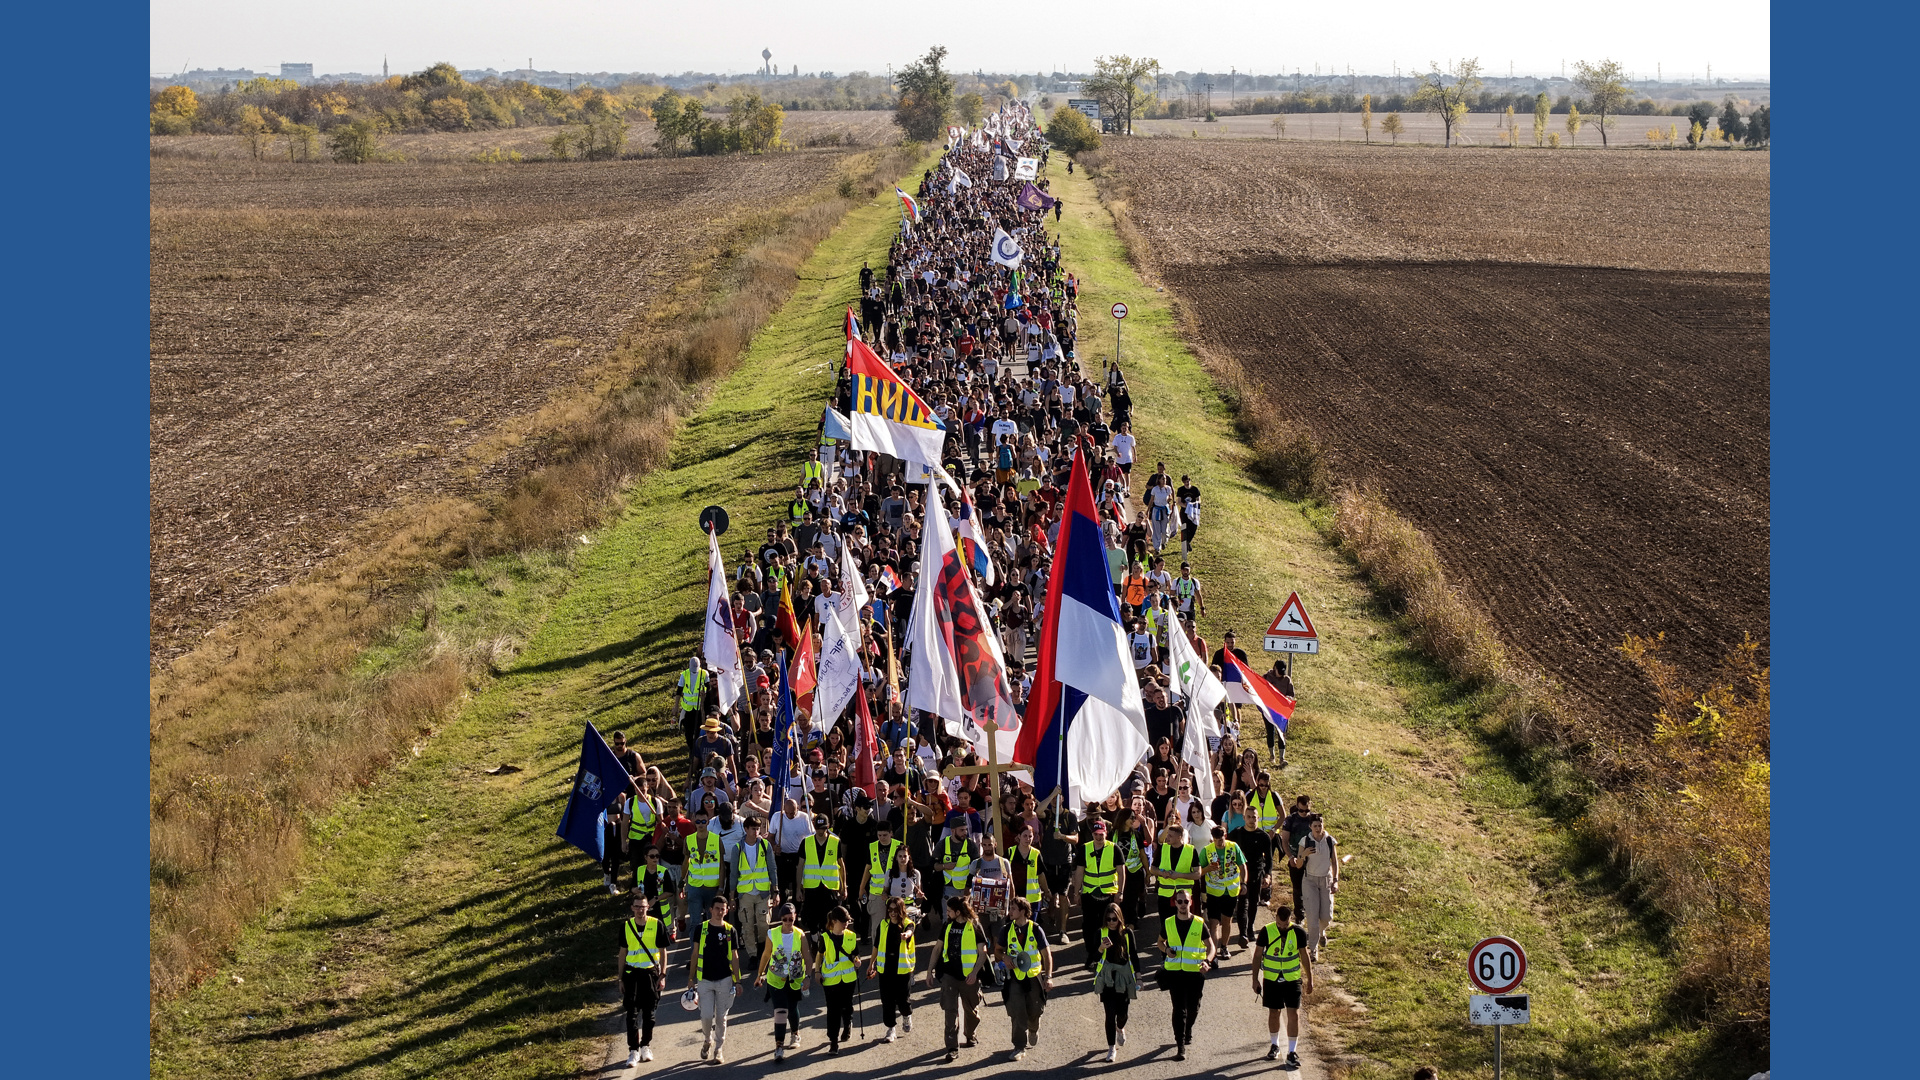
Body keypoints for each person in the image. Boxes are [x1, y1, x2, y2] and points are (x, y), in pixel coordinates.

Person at [1251, 898, 1313, 1069]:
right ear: (1276, 918)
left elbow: (1304, 956)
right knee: (1274, 1012)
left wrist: (1310, 979)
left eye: (1285, 925)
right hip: (1271, 979)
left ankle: (1292, 1051)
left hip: (1292, 979)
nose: (1282, 927)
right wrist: (1254, 979)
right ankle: (1274, 1045)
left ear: (1289, 920)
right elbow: (1257, 956)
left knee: (1294, 1014)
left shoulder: (1298, 932)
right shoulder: (1267, 931)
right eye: (1279, 923)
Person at [1156, 889, 1215, 1060]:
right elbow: (1160, 942)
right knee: (1178, 1009)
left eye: (1185, 901)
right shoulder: (1168, 923)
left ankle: (1188, 1029)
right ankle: (1180, 1045)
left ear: (1191, 903)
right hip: (1175, 973)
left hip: (1195, 973)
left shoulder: (1199, 923)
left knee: (1193, 1008)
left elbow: (1211, 947)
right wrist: (1166, 949)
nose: (1182, 905)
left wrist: (1207, 961)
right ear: (1175, 903)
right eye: (1179, 901)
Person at [927, 894, 986, 1063]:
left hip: (969, 977)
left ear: (958, 912)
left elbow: (982, 953)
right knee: (950, 1012)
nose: (947, 914)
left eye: (949, 911)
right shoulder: (947, 926)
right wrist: (929, 970)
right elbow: (938, 949)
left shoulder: (974, 926)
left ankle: (970, 1034)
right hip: (949, 976)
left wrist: (974, 973)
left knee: (971, 1011)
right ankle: (952, 1047)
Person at [616, 892, 672, 1067]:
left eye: (643, 906)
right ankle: (633, 1050)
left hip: (650, 974)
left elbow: (663, 951)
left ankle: (645, 1045)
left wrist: (662, 975)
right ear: (632, 908)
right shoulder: (626, 926)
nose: (641, 910)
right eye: (637, 906)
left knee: (650, 1014)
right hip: (632, 974)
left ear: (649, 907)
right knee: (631, 1014)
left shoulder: (657, 925)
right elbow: (622, 953)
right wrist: (620, 979)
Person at [754, 902, 814, 1062]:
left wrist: (808, 976)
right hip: (775, 979)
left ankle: (795, 1033)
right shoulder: (772, 934)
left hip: (794, 979)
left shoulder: (800, 934)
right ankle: (779, 1046)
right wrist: (760, 974)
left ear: (795, 918)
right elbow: (766, 955)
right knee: (780, 1011)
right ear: (781, 919)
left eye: (791, 919)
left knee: (792, 1009)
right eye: (785, 919)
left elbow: (807, 958)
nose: (788, 922)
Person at [995, 896, 1053, 1060]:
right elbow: (997, 951)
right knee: (1017, 1012)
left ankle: (1033, 1027)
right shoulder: (1006, 930)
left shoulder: (1036, 929)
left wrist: (1048, 977)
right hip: (1015, 977)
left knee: (1035, 1010)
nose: (1010, 911)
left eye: (1013, 909)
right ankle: (1019, 1047)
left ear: (1022, 911)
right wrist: (1004, 957)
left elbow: (1046, 955)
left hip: (1034, 977)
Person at [686, 895, 742, 1063]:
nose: (719, 912)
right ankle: (707, 1040)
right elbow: (695, 954)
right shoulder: (701, 929)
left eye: (722, 909)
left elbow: (734, 956)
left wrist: (738, 981)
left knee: (721, 1017)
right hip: (704, 980)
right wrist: (691, 978)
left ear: (726, 911)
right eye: (717, 908)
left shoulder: (730, 930)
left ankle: (718, 1049)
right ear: (710, 910)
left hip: (725, 980)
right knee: (706, 1016)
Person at [1074, 818, 1124, 972]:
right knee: (1089, 928)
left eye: (1101, 834)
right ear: (1092, 834)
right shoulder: (1084, 849)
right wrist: (1076, 892)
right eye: (1096, 834)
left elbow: (1121, 872)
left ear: (1106, 833)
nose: (1098, 837)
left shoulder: (1114, 848)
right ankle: (1092, 955)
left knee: (1109, 926)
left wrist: (1120, 892)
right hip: (1089, 895)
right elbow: (1079, 872)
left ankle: (1111, 956)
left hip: (1108, 895)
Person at [1092, 899, 1138, 1062]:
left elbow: (1134, 956)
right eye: (1108, 919)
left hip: (1124, 978)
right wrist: (1101, 948)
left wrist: (1138, 977)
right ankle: (1111, 1048)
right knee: (1109, 1014)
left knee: (1123, 1013)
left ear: (1120, 918)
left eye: (1114, 919)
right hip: (1107, 979)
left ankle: (1120, 1027)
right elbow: (1091, 959)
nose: (1111, 922)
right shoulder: (1100, 933)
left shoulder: (1127, 934)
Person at [866, 896, 917, 1042]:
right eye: (890, 910)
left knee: (903, 1000)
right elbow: (876, 946)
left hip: (902, 970)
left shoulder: (908, 923)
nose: (893, 913)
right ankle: (890, 1029)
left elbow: (910, 931)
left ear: (901, 910)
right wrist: (871, 964)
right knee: (887, 1000)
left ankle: (906, 1016)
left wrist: (906, 935)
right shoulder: (883, 924)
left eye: (895, 909)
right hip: (885, 969)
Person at [815, 906, 861, 1055]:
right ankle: (833, 1042)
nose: (846, 924)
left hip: (848, 979)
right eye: (843, 921)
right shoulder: (825, 937)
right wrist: (817, 972)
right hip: (830, 981)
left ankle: (847, 1024)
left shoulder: (851, 936)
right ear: (834, 921)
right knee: (833, 1010)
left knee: (846, 1006)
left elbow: (855, 954)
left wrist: (856, 960)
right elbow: (820, 955)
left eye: (847, 920)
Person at [1292, 814, 1339, 959]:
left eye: (1320, 825)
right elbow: (1298, 865)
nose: (1318, 829)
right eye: (1315, 826)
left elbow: (1335, 862)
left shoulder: (1329, 840)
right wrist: (1303, 854)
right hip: (1310, 881)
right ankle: (1313, 949)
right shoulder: (1305, 841)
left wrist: (1335, 880)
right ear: (1310, 827)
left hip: (1326, 879)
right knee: (1312, 918)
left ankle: (1321, 932)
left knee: (1326, 916)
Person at [731, 816, 775, 970]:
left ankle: (763, 949)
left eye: (758, 828)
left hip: (763, 892)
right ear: (746, 829)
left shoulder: (765, 845)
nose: (756, 831)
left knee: (763, 924)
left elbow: (772, 868)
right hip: (745, 893)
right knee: (748, 926)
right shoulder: (738, 848)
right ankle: (752, 955)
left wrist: (775, 890)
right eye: (753, 829)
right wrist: (732, 896)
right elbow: (733, 873)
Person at [1201, 823, 1249, 957]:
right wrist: (1208, 869)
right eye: (1216, 840)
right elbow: (1199, 871)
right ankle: (1213, 952)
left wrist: (1243, 883)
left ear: (1225, 836)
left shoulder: (1233, 847)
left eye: (1221, 840)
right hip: (1213, 891)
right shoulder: (1207, 850)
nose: (1219, 843)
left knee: (1226, 920)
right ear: (1212, 839)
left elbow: (1242, 865)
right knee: (1214, 922)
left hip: (1231, 890)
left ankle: (1224, 947)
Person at [800, 813, 849, 932]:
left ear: (828, 826)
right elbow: (800, 866)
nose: (820, 831)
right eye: (818, 828)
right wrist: (798, 888)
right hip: (812, 887)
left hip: (829, 888)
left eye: (823, 828)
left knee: (828, 921)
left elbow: (841, 865)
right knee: (812, 921)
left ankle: (826, 945)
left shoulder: (835, 841)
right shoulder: (806, 842)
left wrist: (844, 887)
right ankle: (815, 941)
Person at [683, 811, 728, 933]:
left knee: (713, 922)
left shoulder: (716, 839)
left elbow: (721, 865)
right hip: (694, 886)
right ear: (694, 822)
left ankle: (711, 950)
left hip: (712, 888)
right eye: (698, 821)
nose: (701, 824)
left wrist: (721, 888)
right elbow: (686, 862)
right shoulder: (688, 839)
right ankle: (695, 951)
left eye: (703, 821)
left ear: (708, 822)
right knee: (695, 923)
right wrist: (682, 883)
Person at [1151, 823, 1201, 929]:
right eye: (1167, 835)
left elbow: (1198, 874)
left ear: (1179, 837)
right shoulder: (1163, 848)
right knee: (1166, 926)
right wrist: (1161, 873)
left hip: (1183, 897)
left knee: (1183, 925)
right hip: (1165, 895)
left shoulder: (1191, 850)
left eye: (1170, 836)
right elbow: (1153, 868)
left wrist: (1179, 875)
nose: (1167, 838)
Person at [864, 820, 904, 945]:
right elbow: (868, 868)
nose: (882, 838)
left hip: (895, 892)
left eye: (885, 835)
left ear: (891, 833)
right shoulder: (872, 847)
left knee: (897, 924)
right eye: (879, 835)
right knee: (877, 928)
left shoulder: (899, 846)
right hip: (877, 894)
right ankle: (876, 958)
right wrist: (861, 887)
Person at [769, 796, 811, 903]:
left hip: (797, 856)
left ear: (797, 808)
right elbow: (770, 837)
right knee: (782, 886)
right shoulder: (777, 817)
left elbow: (811, 838)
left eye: (792, 813)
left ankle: (797, 909)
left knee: (797, 885)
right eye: (787, 813)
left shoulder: (804, 818)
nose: (789, 816)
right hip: (781, 855)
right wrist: (774, 846)